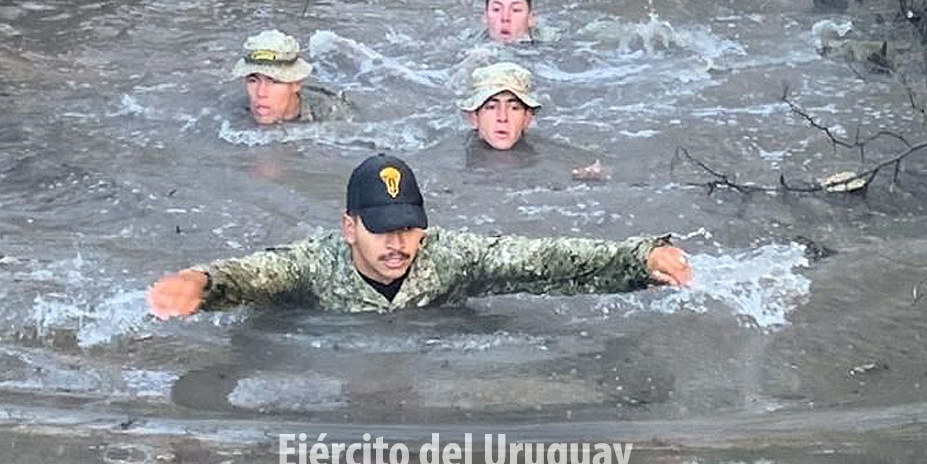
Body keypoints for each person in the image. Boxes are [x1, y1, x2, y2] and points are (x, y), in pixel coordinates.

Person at [146, 154, 692, 316]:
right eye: (382, 230)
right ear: (348, 227)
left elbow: (542, 259)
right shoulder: (313, 264)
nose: (398, 245)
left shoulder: (448, 257)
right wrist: (201, 283)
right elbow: (252, 273)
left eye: (409, 228)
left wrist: (640, 258)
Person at [231, 30, 349, 125]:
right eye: (253, 80)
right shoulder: (234, 114)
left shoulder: (332, 117)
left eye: (274, 81)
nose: (261, 92)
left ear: (296, 83)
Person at [460, 61, 540, 151]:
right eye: (491, 107)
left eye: (514, 108)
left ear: (527, 119)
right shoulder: (450, 156)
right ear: (474, 117)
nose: (502, 118)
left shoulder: (549, 156)